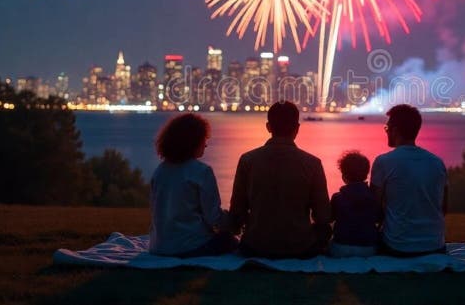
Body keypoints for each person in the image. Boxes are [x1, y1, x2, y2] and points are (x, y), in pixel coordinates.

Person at [229, 101, 331, 258]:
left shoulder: (247, 160)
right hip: (299, 247)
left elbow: (237, 210)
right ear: (297, 128)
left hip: (256, 246)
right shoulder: (312, 163)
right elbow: (323, 215)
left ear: (268, 127)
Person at [149, 114, 237, 257]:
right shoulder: (202, 172)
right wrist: (233, 221)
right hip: (190, 246)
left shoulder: (160, 171)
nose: (206, 144)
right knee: (229, 240)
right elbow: (214, 218)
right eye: (204, 140)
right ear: (193, 141)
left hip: (158, 246)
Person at [371, 104, 448, 257]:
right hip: (435, 245)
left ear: (395, 130)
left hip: (397, 247)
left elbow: (373, 209)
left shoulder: (383, 162)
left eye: (387, 128)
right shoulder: (437, 163)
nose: (386, 132)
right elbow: (443, 208)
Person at [329, 150, 381, 257]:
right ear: (366, 175)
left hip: (340, 248)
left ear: (344, 177)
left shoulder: (337, 198)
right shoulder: (373, 198)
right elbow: (378, 217)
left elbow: (329, 218)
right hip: (368, 249)